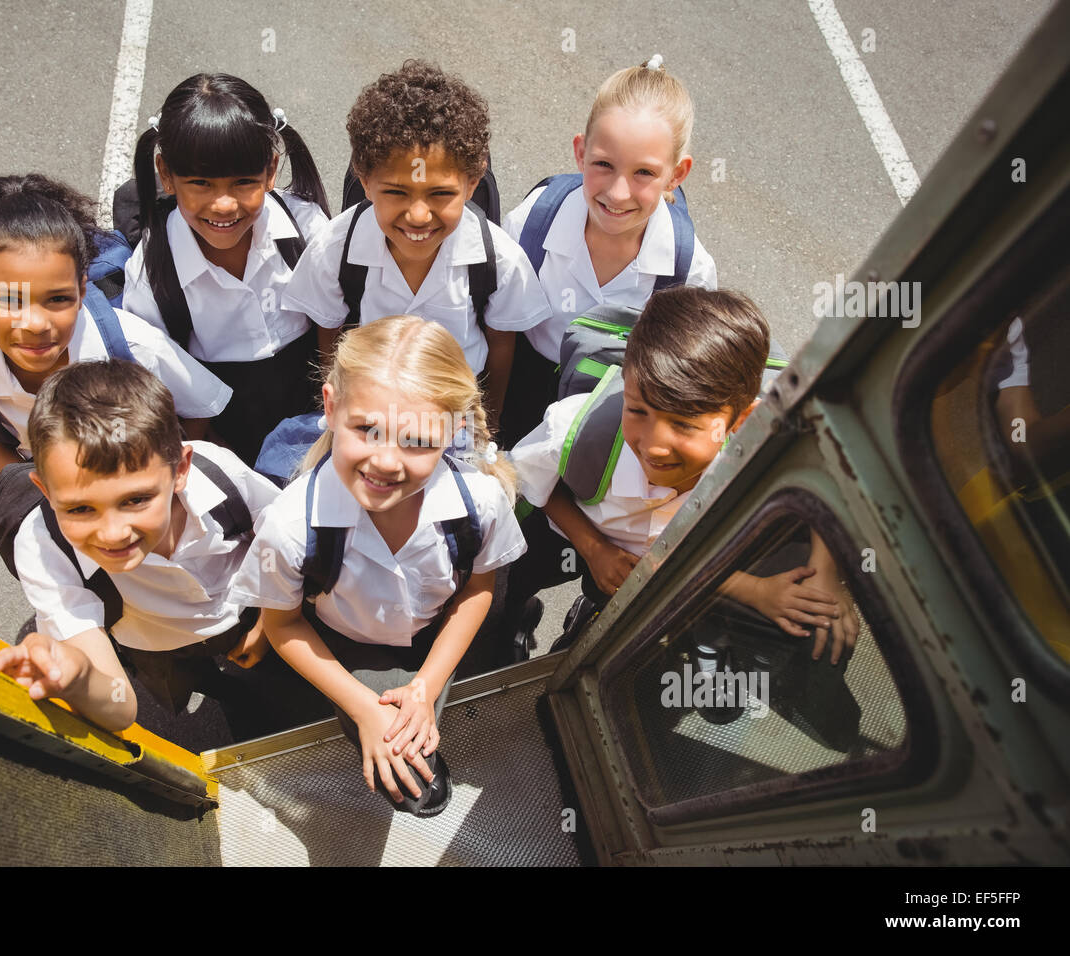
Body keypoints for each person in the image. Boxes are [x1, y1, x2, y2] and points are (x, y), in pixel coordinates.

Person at [230, 316, 526, 816]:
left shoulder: (480, 501)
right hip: (350, 646)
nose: (387, 462)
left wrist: (424, 688)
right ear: (330, 407)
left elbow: (479, 589)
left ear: (453, 431)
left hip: (435, 630)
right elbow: (282, 625)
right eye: (368, 430)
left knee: (414, 732)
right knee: (406, 768)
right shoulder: (290, 525)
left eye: (417, 441)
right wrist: (365, 709)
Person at [507, 287, 855, 661]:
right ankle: (513, 626)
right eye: (638, 410)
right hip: (575, 538)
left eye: (684, 424)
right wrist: (593, 548)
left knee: (616, 614)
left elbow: (824, 468)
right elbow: (529, 479)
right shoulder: (573, 426)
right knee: (511, 587)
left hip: (647, 570)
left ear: (741, 421)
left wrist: (825, 570)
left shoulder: (763, 448)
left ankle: (586, 626)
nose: (654, 446)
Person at [0, 359, 288, 738]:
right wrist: (78, 677)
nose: (113, 533)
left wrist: (268, 623)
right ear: (44, 492)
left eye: (136, 500)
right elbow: (120, 708)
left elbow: (282, 542)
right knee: (206, 685)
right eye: (81, 509)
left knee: (278, 686)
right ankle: (232, 697)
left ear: (180, 470)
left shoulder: (220, 472)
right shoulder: (43, 547)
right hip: (156, 645)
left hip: (249, 608)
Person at [282, 60, 551, 431]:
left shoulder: (499, 261)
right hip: (370, 418)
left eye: (440, 193)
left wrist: (489, 425)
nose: (419, 216)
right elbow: (329, 335)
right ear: (364, 179)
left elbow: (501, 344)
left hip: (458, 420)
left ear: (472, 183)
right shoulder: (334, 249)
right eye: (396, 192)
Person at [0, 174, 231, 472]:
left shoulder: (135, 348)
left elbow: (199, 408)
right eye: (10, 300)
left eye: (57, 299)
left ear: (82, 290)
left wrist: (154, 480)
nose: (35, 324)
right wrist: (43, 501)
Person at [498, 55, 717, 447]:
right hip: (517, 392)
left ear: (677, 174)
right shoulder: (532, 221)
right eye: (603, 164)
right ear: (580, 152)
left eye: (644, 173)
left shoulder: (689, 272)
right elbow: (496, 323)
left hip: (608, 421)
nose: (617, 193)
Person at [121, 74, 331, 464]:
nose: (223, 205)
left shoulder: (307, 230)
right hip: (221, 445)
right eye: (200, 183)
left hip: (318, 423)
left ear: (271, 170)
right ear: (165, 173)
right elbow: (164, 395)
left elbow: (335, 329)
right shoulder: (152, 277)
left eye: (243, 182)